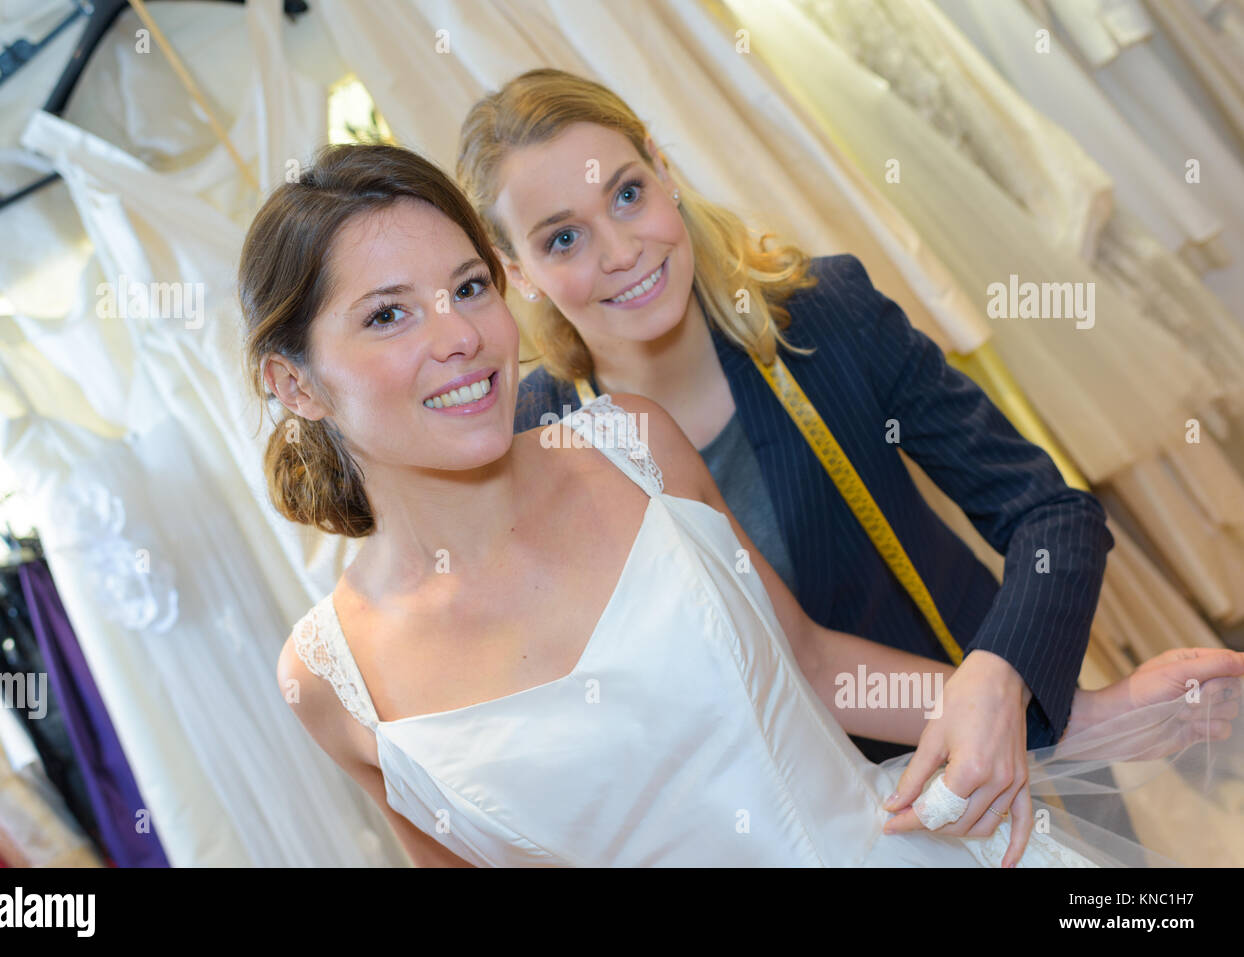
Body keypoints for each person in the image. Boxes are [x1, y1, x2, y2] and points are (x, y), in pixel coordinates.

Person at [242, 142, 1243, 867]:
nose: (457, 335)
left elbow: (808, 665)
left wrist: (1077, 724)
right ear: (294, 384)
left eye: (466, 288)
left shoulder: (627, 444)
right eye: (387, 315)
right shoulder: (330, 681)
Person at [455, 68, 1123, 836]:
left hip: (1003, 765)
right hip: (796, 831)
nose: (620, 250)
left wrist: (1004, 677)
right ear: (517, 273)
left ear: (663, 171)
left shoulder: (825, 317)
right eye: (563, 238)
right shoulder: (535, 448)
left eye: (628, 193)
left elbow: (1052, 513)